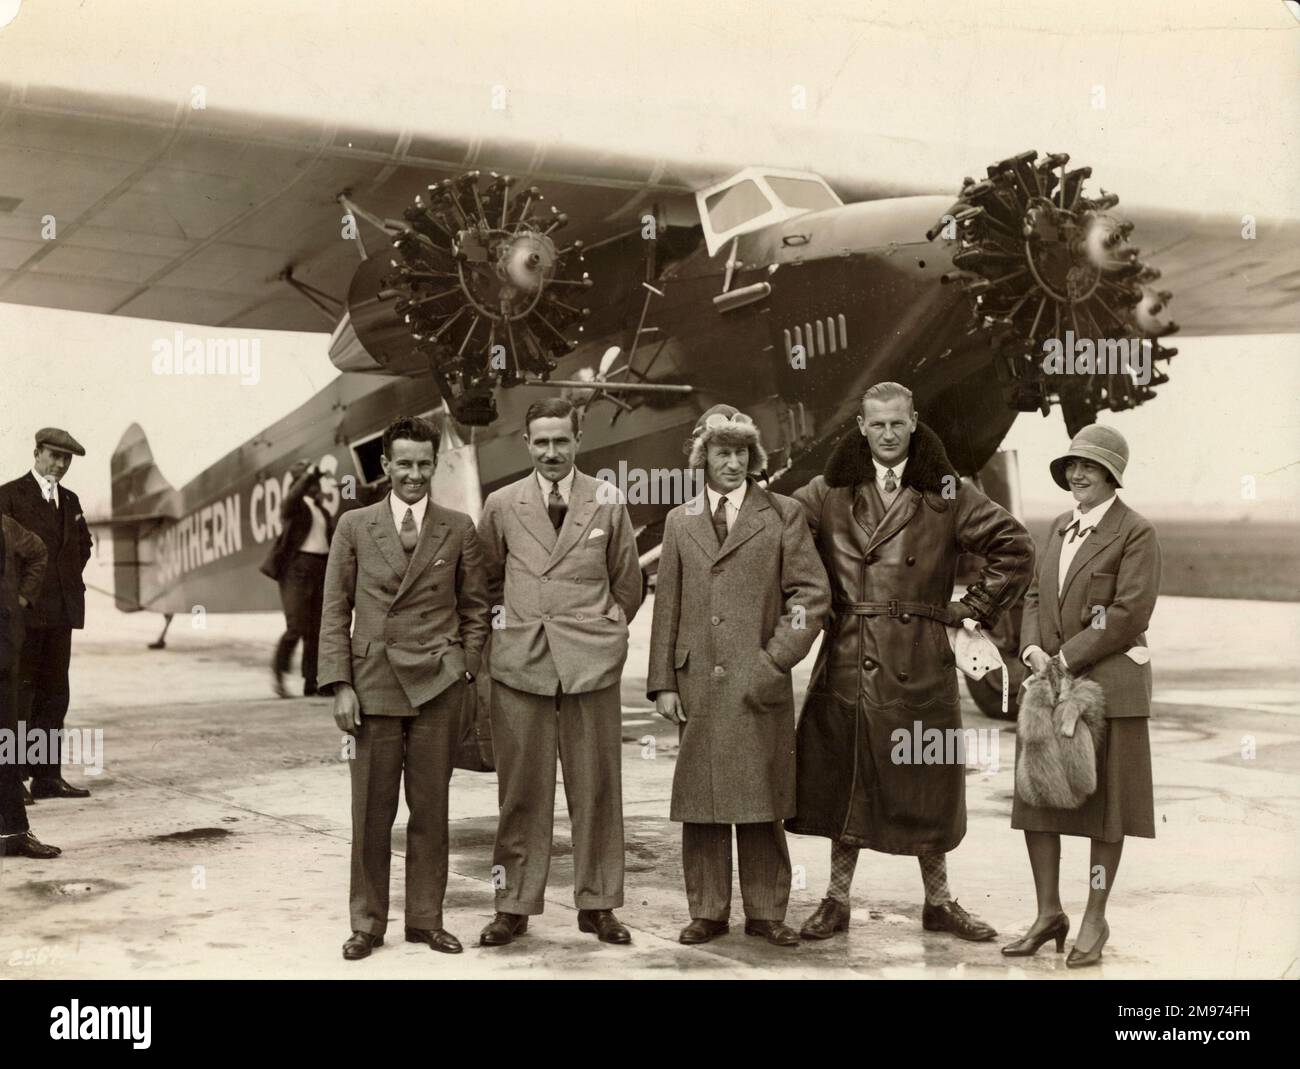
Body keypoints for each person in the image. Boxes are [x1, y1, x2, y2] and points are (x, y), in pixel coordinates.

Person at [788, 382, 1034, 941]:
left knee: (928, 783)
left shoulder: (947, 491)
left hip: (921, 658)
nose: (888, 434)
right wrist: (810, 602)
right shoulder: (829, 491)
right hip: (850, 653)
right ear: (861, 427)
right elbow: (777, 532)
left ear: (915, 422)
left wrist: (969, 609)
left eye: (898, 423)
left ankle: (940, 902)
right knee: (846, 782)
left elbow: (1016, 547)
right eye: (877, 425)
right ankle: (835, 900)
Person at [648, 405, 830, 947]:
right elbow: (668, 606)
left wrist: (776, 659)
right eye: (721, 453)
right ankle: (706, 911)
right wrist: (662, 681)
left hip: (758, 683)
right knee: (702, 804)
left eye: (741, 453)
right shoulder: (679, 522)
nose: (732, 462)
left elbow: (810, 595)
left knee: (761, 803)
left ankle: (767, 911)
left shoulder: (782, 514)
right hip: (697, 682)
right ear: (703, 459)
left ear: (754, 459)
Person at [317, 416, 491, 960]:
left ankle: (425, 920)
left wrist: (464, 666)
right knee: (371, 811)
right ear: (385, 466)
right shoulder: (354, 526)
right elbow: (333, 611)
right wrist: (340, 684)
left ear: (435, 465)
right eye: (404, 464)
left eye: (424, 464)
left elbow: (476, 609)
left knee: (432, 809)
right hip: (373, 686)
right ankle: (367, 923)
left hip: (439, 685)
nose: (414, 474)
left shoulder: (459, 526)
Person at [476, 397, 642, 946]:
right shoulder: (501, 504)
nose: (551, 451)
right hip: (521, 665)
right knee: (520, 790)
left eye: (561, 441)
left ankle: (599, 904)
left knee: (597, 787)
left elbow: (627, 584)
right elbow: (487, 582)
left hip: (588, 664)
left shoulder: (607, 501)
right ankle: (513, 904)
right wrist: (507, 634)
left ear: (578, 440)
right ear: (527, 444)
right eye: (541, 442)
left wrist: (606, 633)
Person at [1003, 425, 1160, 968]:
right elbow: (1034, 595)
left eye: (1089, 466)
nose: (1077, 474)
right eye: (1071, 465)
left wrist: (1064, 658)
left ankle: (1095, 917)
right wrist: (1030, 653)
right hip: (1048, 688)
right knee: (1038, 803)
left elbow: (1128, 613)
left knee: (1105, 814)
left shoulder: (1135, 532)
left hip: (1107, 692)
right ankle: (1048, 914)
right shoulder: (1059, 528)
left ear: (1113, 474)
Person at [0, 428, 94, 802]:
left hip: (61, 612)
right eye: (54, 456)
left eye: (66, 459)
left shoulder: (70, 501)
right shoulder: (9, 495)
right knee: (17, 697)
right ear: (37, 453)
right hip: (22, 613)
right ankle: (13, 783)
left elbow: (82, 547)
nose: (60, 464)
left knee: (55, 695)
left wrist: (65, 581)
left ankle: (46, 776)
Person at [0, 513, 61, 858]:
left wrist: (21, 599)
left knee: (4, 742)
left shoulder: (6, 526)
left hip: (4, 648)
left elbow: (38, 551)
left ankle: (16, 832)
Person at [264, 460, 335, 698]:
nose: (315, 486)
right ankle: (279, 676)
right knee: (296, 626)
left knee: (316, 629)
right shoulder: (294, 506)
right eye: (310, 481)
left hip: (320, 567)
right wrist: (310, 473)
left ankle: (312, 683)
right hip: (297, 568)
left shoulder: (321, 510)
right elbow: (291, 497)